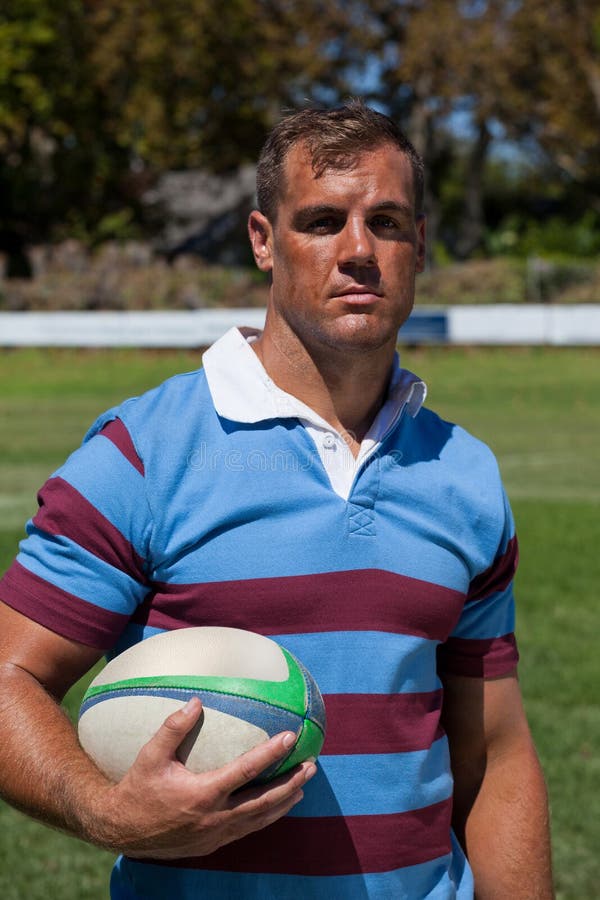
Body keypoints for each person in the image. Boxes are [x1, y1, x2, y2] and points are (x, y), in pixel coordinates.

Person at [0, 101, 553, 899]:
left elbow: (495, 752)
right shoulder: (142, 454)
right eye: (323, 220)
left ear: (421, 245)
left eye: (388, 222)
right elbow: (9, 676)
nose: (359, 251)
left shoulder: (462, 472)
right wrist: (108, 813)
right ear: (264, 240)